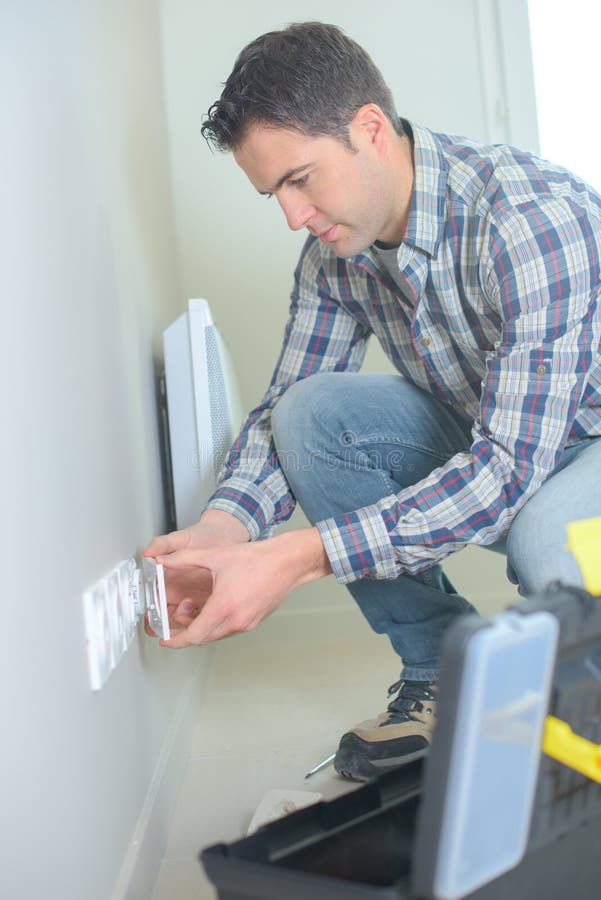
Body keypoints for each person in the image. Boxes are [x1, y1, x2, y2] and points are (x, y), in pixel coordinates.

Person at [144, 22, 601, 781]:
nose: (293, 216)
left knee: (547, 542)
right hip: (499, 439)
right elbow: (284, 406)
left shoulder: (528, 221)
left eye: (300, 179)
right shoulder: (336, 256)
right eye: (273, 195)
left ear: (369, 130)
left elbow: (509, 472)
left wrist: (294, 558)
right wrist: (222, 531)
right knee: (310, 418)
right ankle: (442, 677)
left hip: (580, 445)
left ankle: (562, 726)